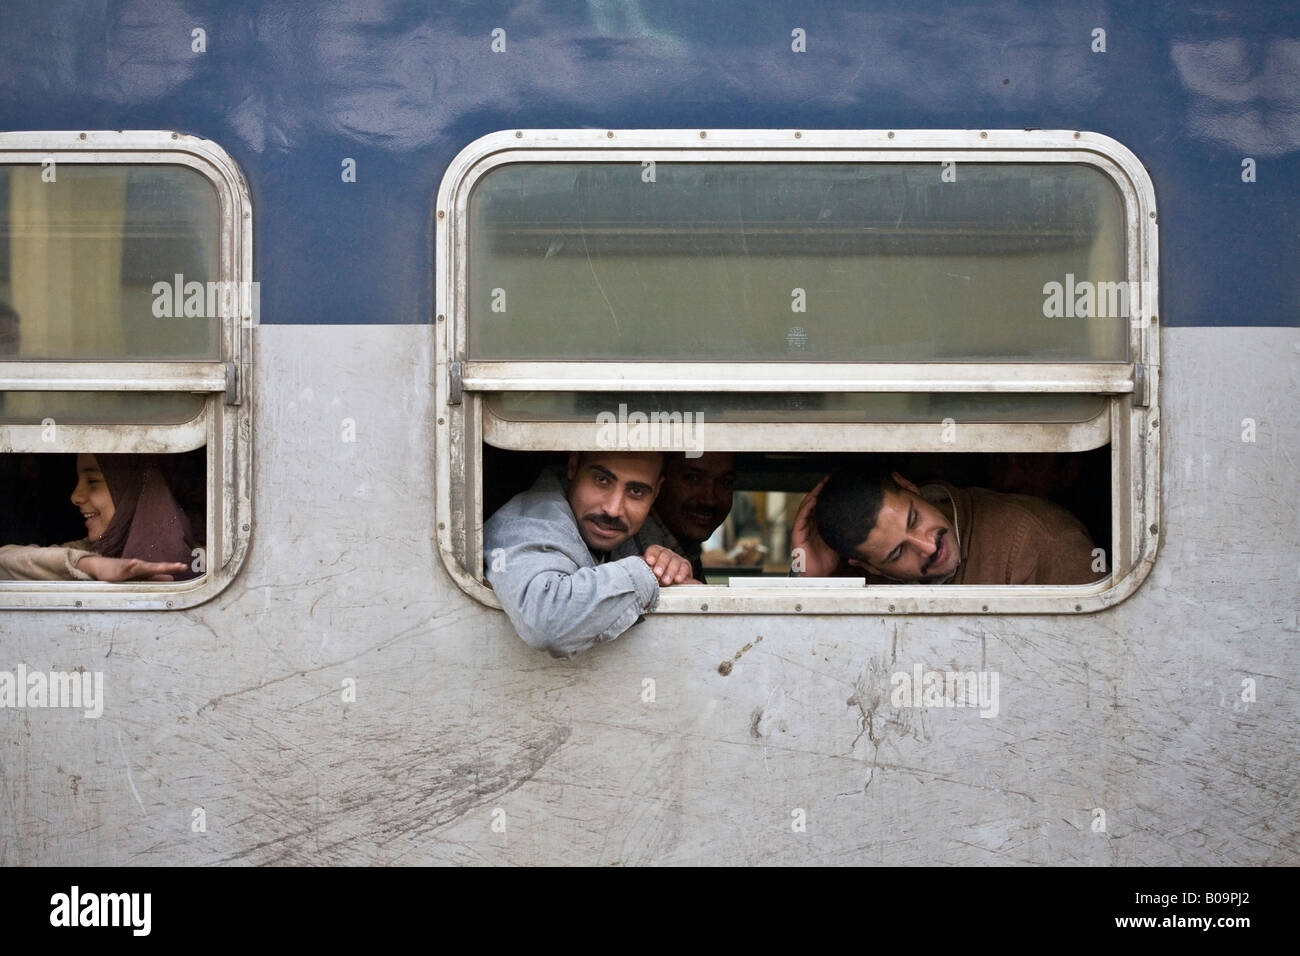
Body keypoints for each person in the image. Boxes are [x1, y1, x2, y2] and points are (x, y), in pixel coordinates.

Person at [484, 450, 697, 657]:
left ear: (657, 492)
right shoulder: (526, 523)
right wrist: (645, 573)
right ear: (574, 466)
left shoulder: (640, 530)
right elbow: (547, 622)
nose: (613, 509)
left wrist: (669, 570)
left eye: (636, 491)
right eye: (602, 480)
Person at [791, 468, 1102, 585]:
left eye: (914, 519)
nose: (928, 546)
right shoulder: (855, 579)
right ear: (868, 567)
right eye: (898, 552)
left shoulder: (1040, 540)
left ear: (908, 485)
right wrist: (806, 577)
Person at [0, 453, 195, 582]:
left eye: (92, 481)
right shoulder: (91, 551)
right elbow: (5, 560)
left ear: (131, 492)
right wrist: (91, 565)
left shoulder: (205, 556)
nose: (75, 496)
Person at [633, 451, 736, 582]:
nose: (709, 499)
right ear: (659, 483)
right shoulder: (641, 555)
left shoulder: (684, 547)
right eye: (692, 478)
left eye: (725, 482)